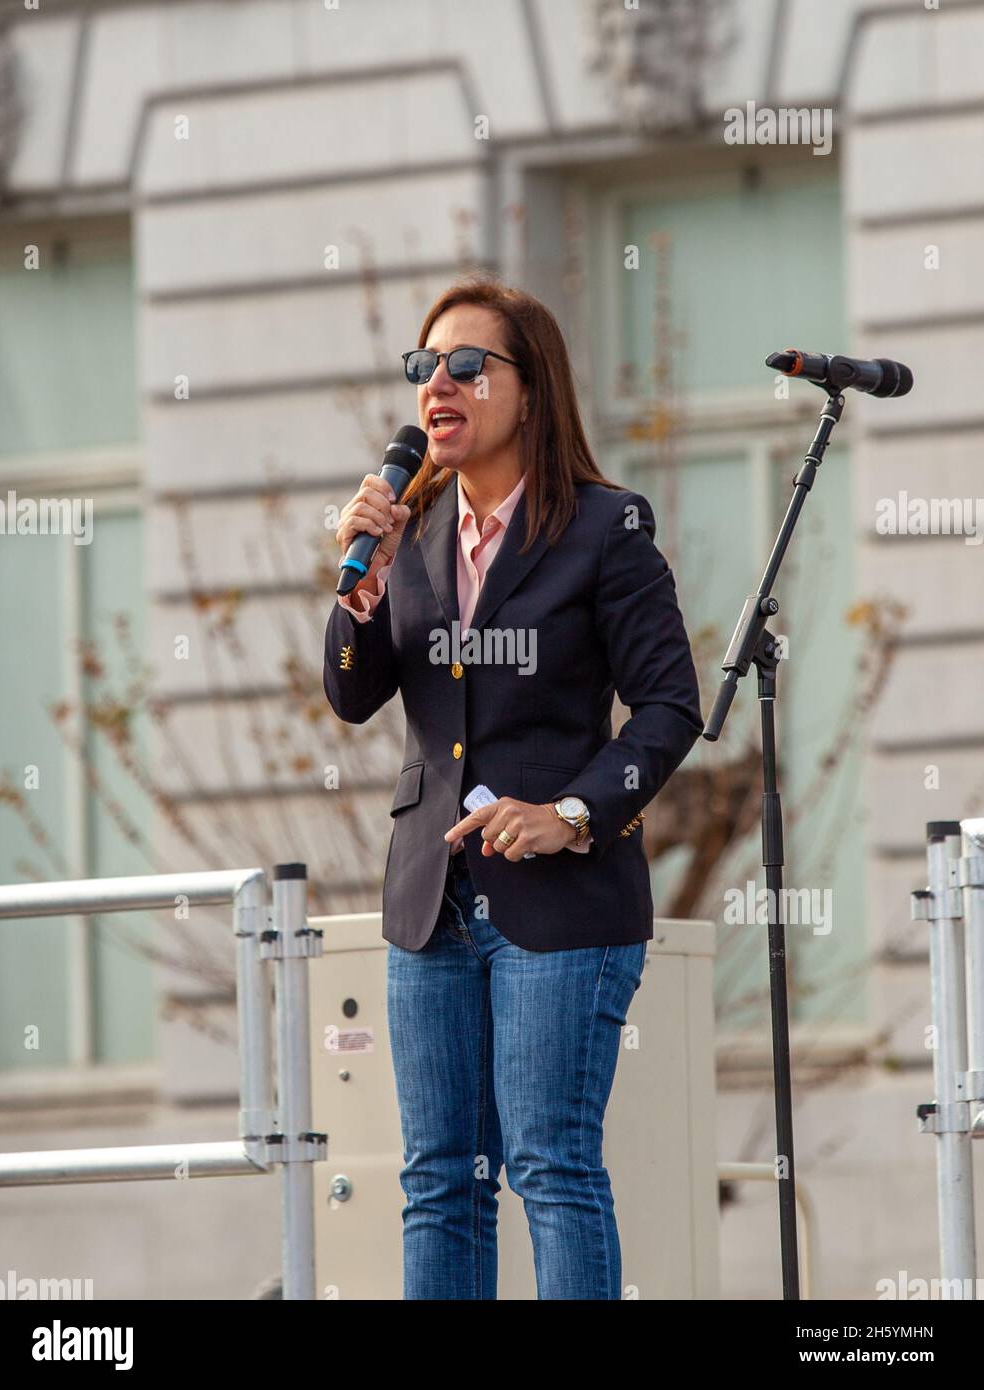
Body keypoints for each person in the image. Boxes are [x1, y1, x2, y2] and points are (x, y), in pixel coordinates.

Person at [322, 273, 702, 1299]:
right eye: (422, 367)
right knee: (439, 1181)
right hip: (431, 903)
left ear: (530, 392)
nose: (436, 385)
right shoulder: (412, 537)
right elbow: (353, 701)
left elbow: (671, 706)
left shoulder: (604, 529)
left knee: (551, 1166)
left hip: (564, 903)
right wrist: (359, 597)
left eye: (465, 366)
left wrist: (572, 812)